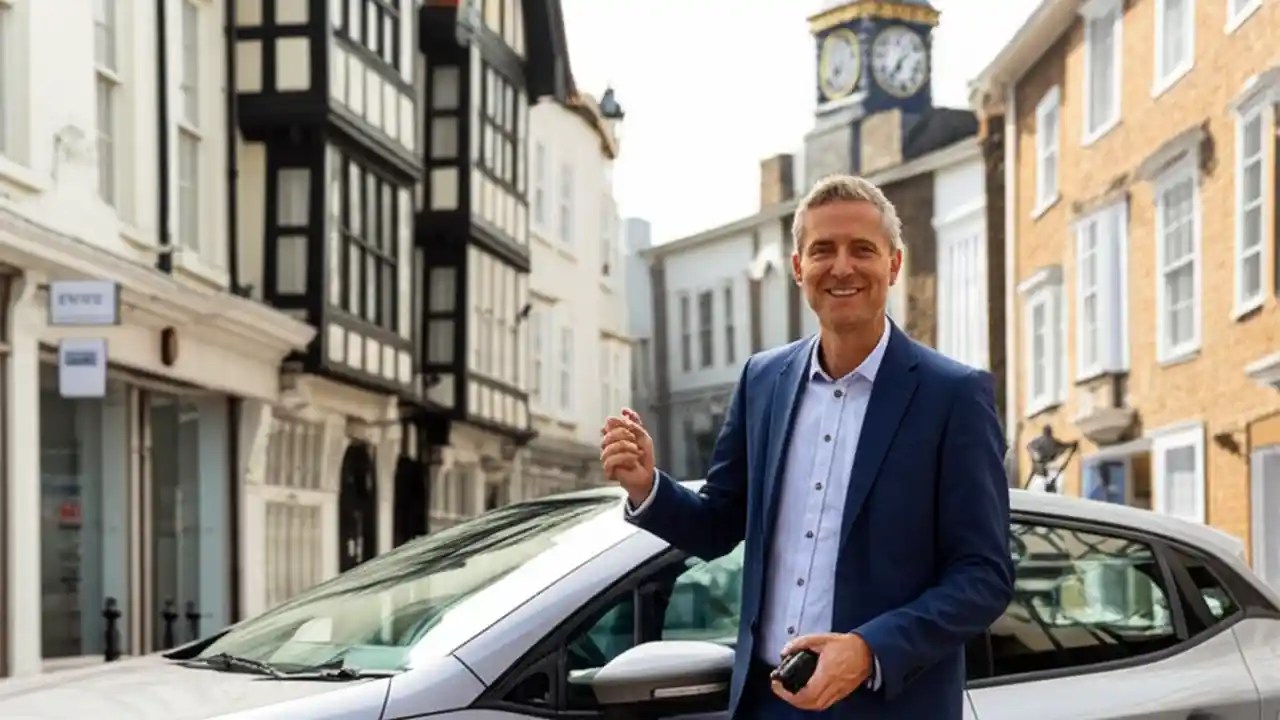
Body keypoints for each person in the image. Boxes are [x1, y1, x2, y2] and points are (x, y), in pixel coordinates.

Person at [598, 174, 1014, 720]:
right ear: (799, 267)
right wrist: (647, 486)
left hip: (888, 706)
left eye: (862, 249)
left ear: (893, 264)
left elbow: (984, 577)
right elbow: (720, 523)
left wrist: (868, 652)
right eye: (823, 250)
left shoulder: (954, 395)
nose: (842, 267)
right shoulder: (763, 380)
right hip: (767, 705)